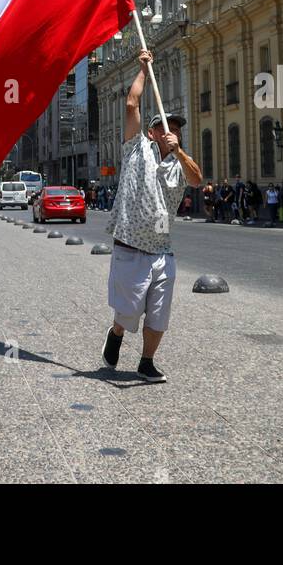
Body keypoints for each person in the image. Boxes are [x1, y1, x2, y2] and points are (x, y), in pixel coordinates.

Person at [101, 49, 202, 384]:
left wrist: (180, 150)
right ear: (152, 132)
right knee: (128, 313)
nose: (172, 131)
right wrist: (143, 68)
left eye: (176, 128)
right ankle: (116, 332)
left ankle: (146, 361)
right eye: (165, 126)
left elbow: (198, 179)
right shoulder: (135, 148)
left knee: (158, 315)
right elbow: (131, 104)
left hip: (162, 250)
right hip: (130, 245)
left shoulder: (179, 164)